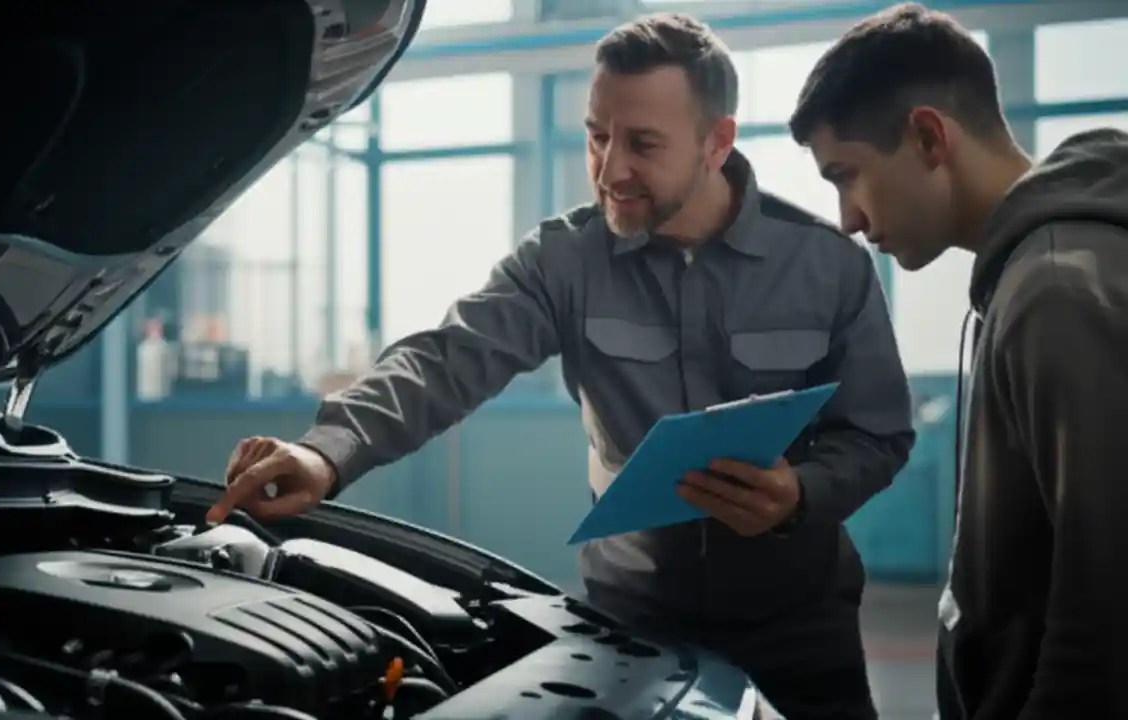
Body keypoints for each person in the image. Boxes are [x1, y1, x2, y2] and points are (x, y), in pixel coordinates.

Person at [210, 12, 914, 718]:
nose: (610, 169)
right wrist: (326, 454)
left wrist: (801, 492)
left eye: (642, 144)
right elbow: (446, 359)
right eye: (596, 135)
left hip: (801, 630)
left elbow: (878, 435)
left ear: (716, 143)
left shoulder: (830, 267)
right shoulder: (563, 261)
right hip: (633, 626)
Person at [788, 3, 1128, 718]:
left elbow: (1105, 607)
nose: (847, 217)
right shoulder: (1027, 275)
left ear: (927, 136)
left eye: (846, 175)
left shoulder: (1056, 288)